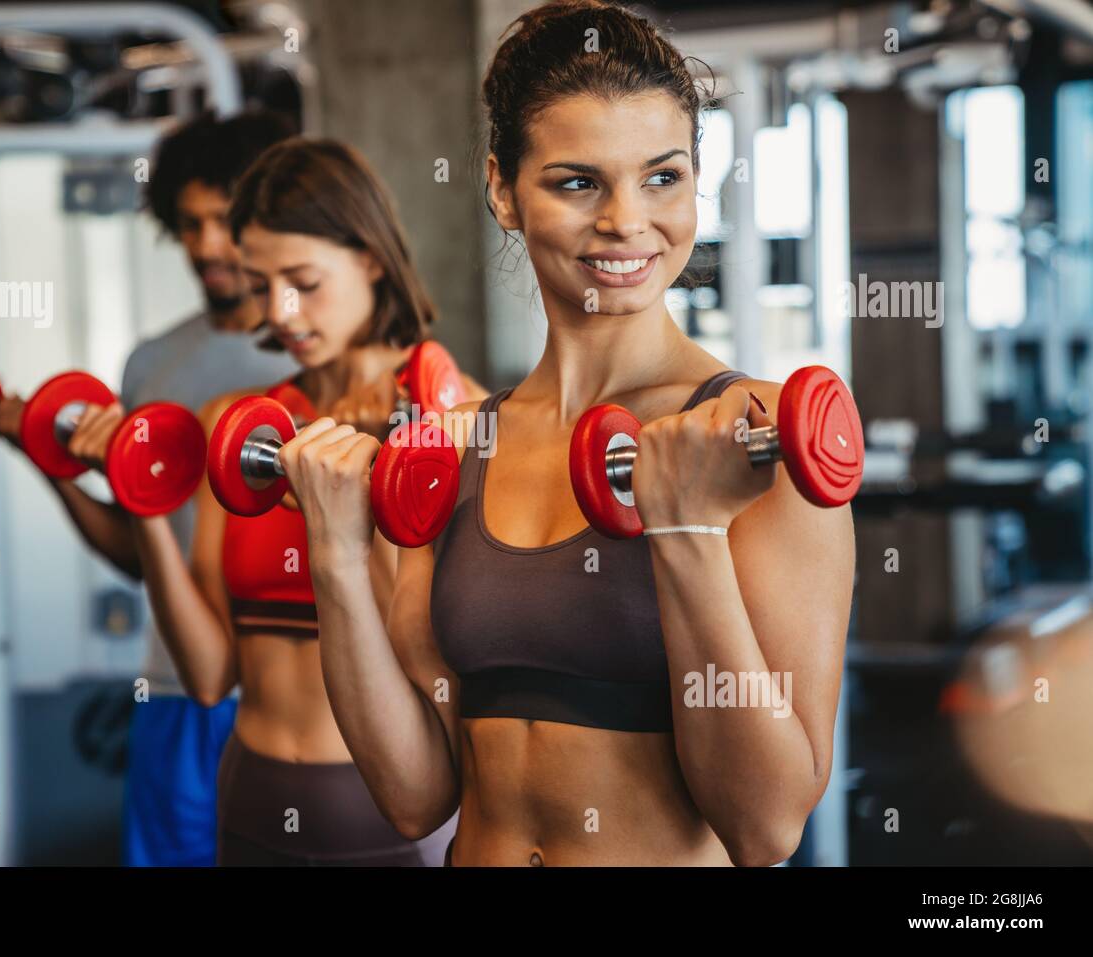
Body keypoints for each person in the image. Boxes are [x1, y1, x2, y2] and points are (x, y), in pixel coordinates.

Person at [280, 0, 855, 866]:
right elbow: (414, 795)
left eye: (662, 177)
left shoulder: (758, 437)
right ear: (504, 192)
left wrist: (689, 529)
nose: (627, 220)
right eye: (578, 181)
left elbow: (766, 826)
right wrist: (334, 554)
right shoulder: (453, 447)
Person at [126, 137, 484, 865]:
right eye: (262, 285)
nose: (282, 311)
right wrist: (142, 503)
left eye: (303, 280)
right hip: (249, 795)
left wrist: (383, 468)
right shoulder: (241, 428)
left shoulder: (463, 426)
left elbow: (433, 663)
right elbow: (207, 674)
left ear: (372, 259)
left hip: (388, 816)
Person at [0, 111, 299, 867]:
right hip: (169, 685)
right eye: (187, 224)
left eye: (223, 222)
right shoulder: (153, 363)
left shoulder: (306, 363)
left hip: (281, 692)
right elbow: (141, 551)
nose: (204, 247)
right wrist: (51, 461)